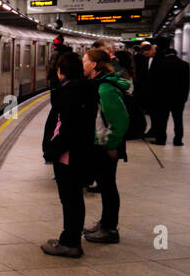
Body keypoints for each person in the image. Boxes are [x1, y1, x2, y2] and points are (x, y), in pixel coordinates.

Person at [40, 53, 97, 257]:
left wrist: (52, 150)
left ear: (60, 71)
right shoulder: (85, 88)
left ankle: (70, 242)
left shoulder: (70, 92)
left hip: (68, 156)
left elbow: (65, 127)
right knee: (74, 199)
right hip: (79, 153)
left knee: (70, 199)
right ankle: (69, 237)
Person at [82, 48, 130, 244]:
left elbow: (120, 120)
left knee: (108, 187)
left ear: (94, 65)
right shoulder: (100, 84)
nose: (82, 64)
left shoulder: (104, 88)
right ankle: (105, 223)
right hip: (101, 144)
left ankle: (110, 229)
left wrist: (111, 144)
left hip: (105, 145)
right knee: (105, 185)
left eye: (85, 61)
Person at [153, 47, 190, 145]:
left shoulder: (160, 64)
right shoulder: (185, 65)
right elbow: (186, 83)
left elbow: (156, 83)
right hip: (179, 98)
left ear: (166, 54)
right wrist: (185, 97)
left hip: (163, 98)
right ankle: (178, 140)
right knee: (178, 120)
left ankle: (161, 140)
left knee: (162, 120)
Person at [134, 42, 158, 137]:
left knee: (155, 114)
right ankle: (153, 130)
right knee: (151, 113)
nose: (146, 55)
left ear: (152, 50)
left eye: (147, 53)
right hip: (146, 91)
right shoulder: (146, 59)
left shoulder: (157, 60)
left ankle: (155, 131)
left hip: (154, 92)